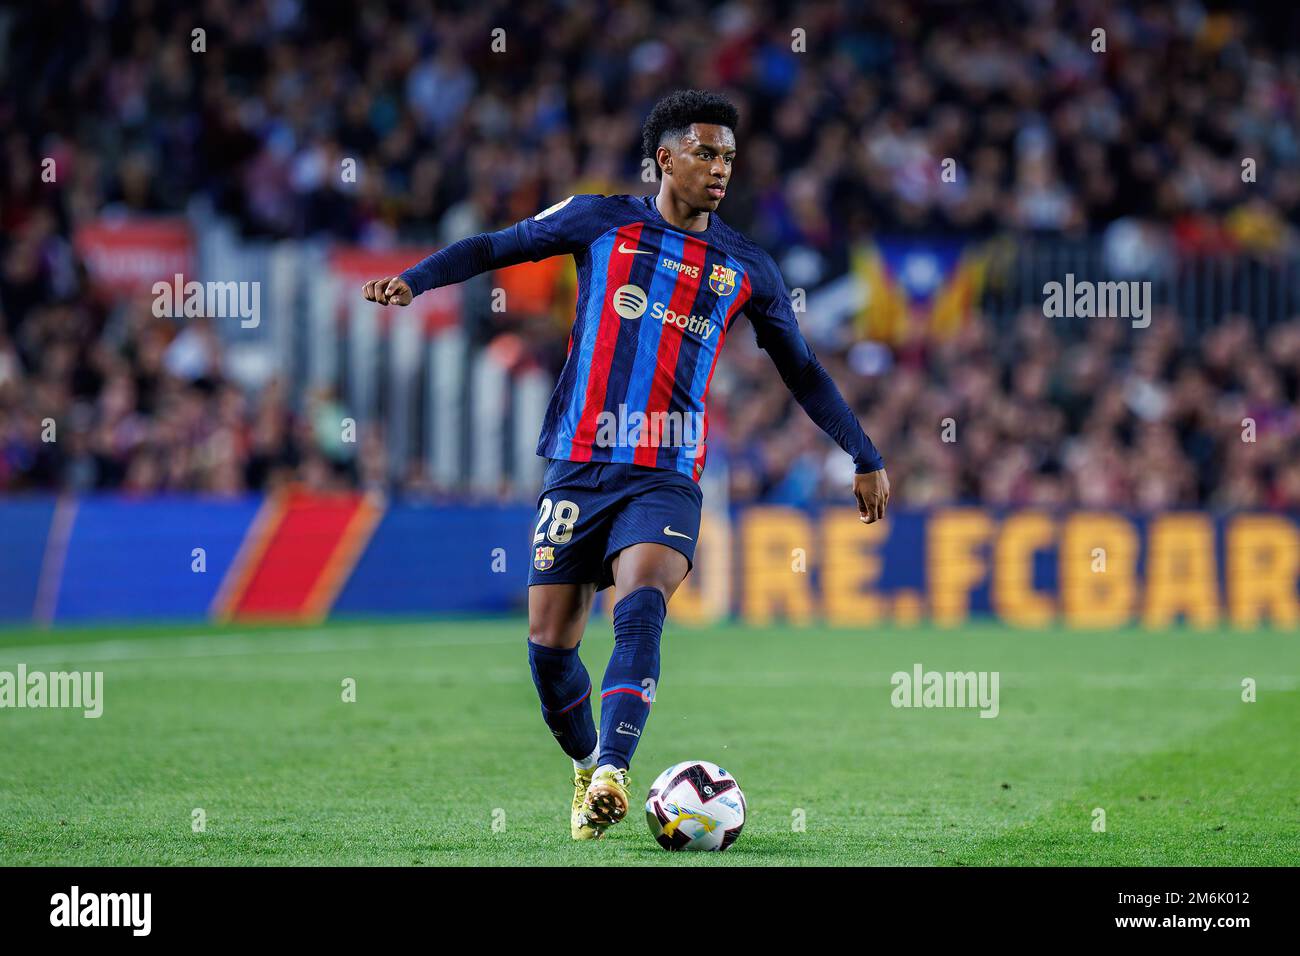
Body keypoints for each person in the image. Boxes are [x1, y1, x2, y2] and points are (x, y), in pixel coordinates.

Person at [362, 90, 889, 839]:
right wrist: (414, 280)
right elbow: (492, 247)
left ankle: (614, 767)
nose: (720, 169)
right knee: (549, 652)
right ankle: (585, 767)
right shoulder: (598, 218)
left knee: (642, 600)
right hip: (577, 465)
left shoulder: (747, 266)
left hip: (666, 470)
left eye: (730, 157)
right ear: (664, 157)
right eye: (706, 153)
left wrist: (862, 453)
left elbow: (801, 370)